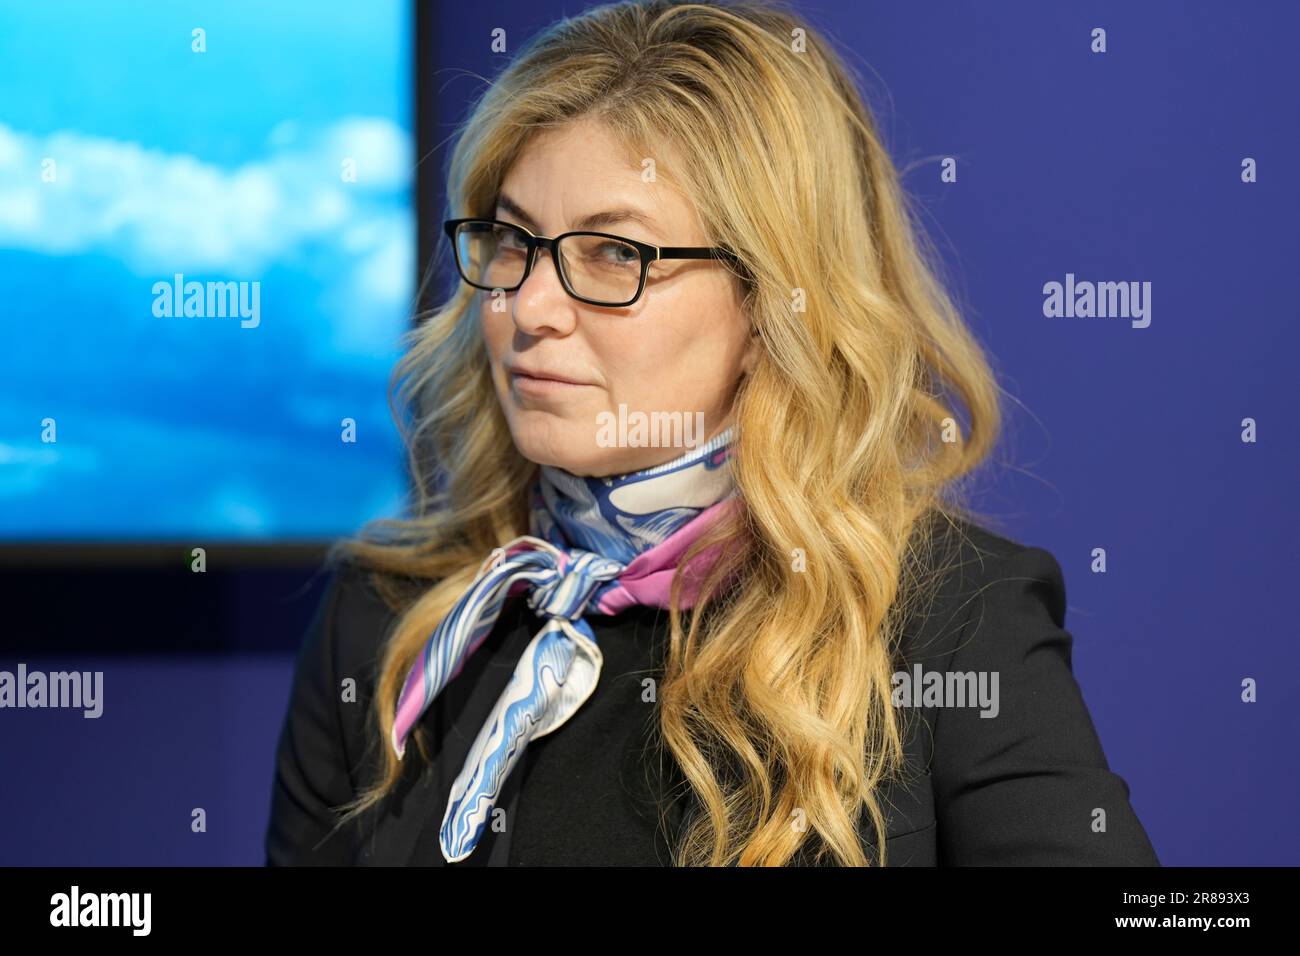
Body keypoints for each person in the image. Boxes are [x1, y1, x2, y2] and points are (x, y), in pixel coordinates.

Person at [265, 0, 1159, 866]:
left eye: (616, 254)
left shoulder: (944, 619)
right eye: (512, 238)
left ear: (776, 300)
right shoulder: (389, 614)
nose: (526, 305)